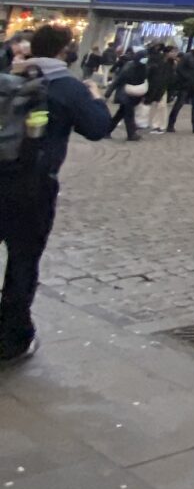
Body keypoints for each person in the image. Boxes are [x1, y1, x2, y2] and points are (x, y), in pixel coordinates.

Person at [0, 23, 112, 363]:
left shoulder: (11, 76)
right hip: (33, 186)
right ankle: (11, 338)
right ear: (64, 51)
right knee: (23, 258)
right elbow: (97, 128)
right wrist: (96, 97)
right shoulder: (67, 86)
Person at [167, 42, 194, 134]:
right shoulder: (187, 56)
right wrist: (187, 78)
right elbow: (180, 69)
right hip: (186, 85)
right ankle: (170, 124)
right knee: (178, 105)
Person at [106, 50, 148, 141]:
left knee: (120, 114)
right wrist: (108, 93)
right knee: (128, 115)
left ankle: (107, 131)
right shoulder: (130, 67)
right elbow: (118, 80)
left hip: (134, 95)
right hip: (125, 94)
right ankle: (131, 134)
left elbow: (143, 81)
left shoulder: (143, 68)